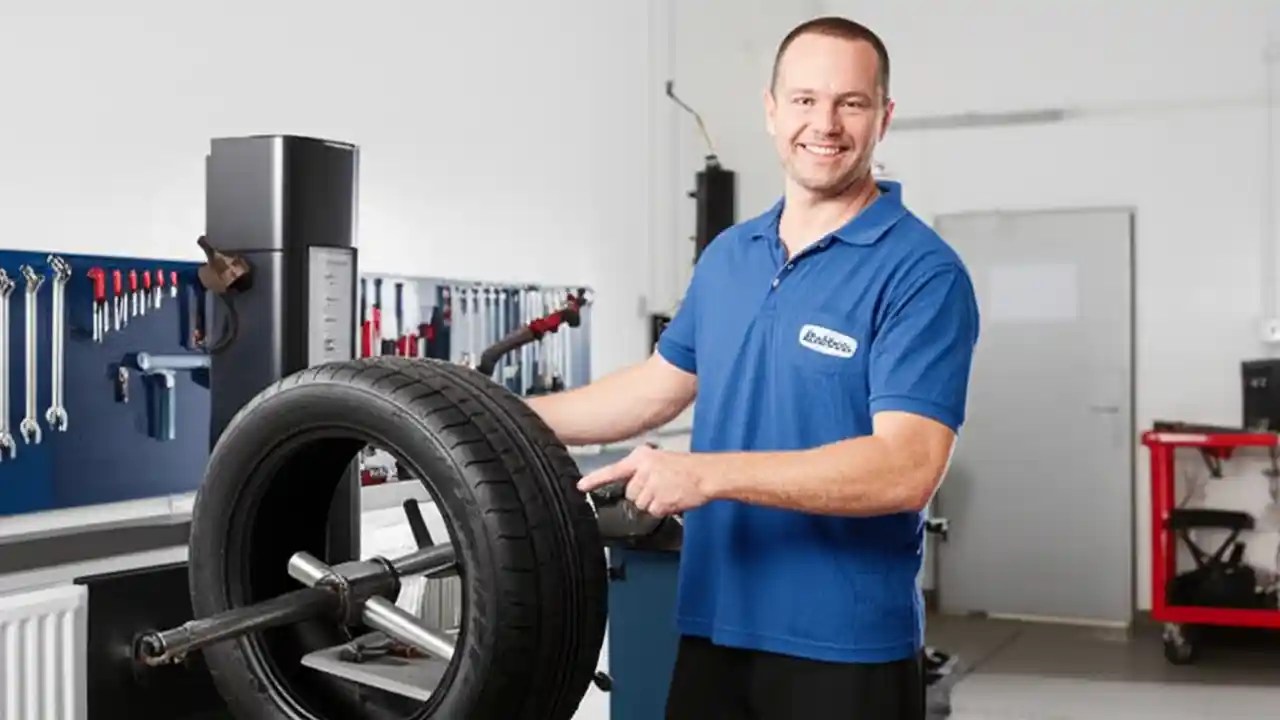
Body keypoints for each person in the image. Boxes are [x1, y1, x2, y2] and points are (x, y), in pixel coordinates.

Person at [525, 15, 980, 720]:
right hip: (713, 627)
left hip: (843, 650)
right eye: (804, 99)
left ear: (883, 117)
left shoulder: (921, 272)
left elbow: (908, 465)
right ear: (771, 111)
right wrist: (488, 417)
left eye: (850, 103)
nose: (824, 123)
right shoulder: (731, 257)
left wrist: (703, 474)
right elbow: (655, 389)